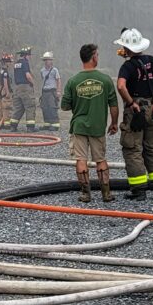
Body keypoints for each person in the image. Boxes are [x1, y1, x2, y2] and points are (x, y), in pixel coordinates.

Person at [60, 42, 119, 204]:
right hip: (98, 127)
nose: (98, 57)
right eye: (97, 55)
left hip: (79, 127)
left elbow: (64, 106)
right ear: (93, 57)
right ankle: (106, 194)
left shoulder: (73, 81)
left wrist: (78, 102)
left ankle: (86, 194)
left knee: (81, 159)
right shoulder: (105, 80)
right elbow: (114, 105)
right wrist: (114, 123)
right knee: (100, 159)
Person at [113, 27, 153, 200]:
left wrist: (130, 102)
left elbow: (121, 86)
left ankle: (138, 189)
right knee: (152, 147)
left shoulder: (128, 66)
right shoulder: (152, 60)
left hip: (136, 110)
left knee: (133, 148)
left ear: (126, 48)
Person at [6, 46, 37, 132]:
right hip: (25, 87)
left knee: (18, 108)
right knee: (30, 106)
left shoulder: (16, 64)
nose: (30, 57)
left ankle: (13, 126)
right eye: (29, 55)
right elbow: (28, 76)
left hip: (17, 88)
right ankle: (30, 127)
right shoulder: (25, 63)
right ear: (26, 55)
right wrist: (33, 83)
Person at [38, 51, 61, 132]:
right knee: (45, 108)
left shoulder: (55, 70)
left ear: (51, 61)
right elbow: (43, 80)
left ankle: (55, 125)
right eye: (45, 60)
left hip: (52, 92)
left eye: (48, 59)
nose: (46, 61)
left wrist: (58, 91)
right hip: (45, 92)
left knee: (52, 107)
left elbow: (58, 80)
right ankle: (47, 124)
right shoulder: (42, 71)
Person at [0, 53, 13, 129]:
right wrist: (7, 92)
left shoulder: (2, 71)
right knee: (7, 107)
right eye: (9, 62)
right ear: (6, 62)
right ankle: (7, 124)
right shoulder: (5, 72)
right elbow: (5, 82)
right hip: (5, 90)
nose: (10, 63)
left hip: (1, 90)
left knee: (1, 107)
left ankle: (0, 123)